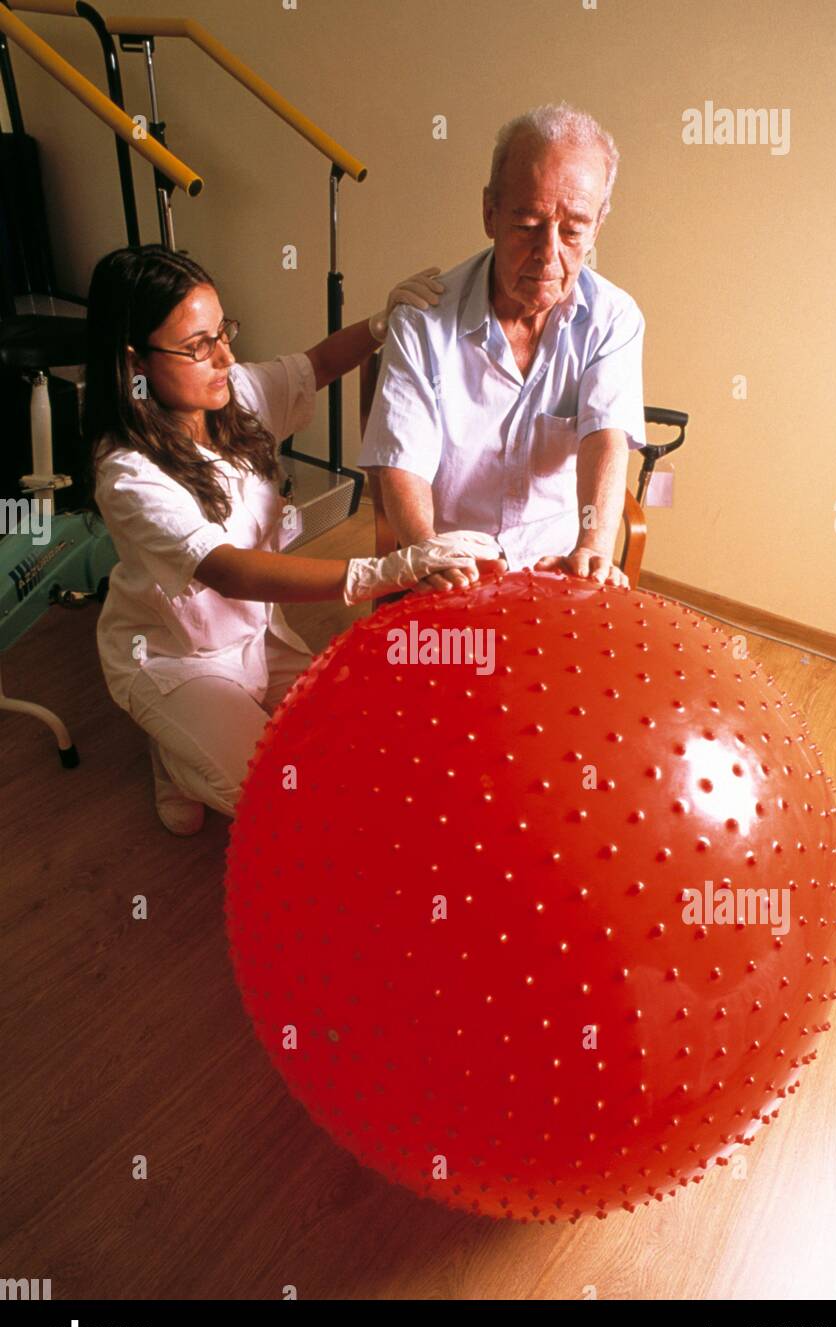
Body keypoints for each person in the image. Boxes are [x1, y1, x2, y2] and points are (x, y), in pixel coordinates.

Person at [83, 245, 504, 835]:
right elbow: (227, 569)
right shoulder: (128, 472)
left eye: (223, 331)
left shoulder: (233, 398)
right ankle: (175, 757)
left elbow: (315, 366)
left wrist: (381, 325)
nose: (225, 356)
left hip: (256, 638)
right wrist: (383, 571)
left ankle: (194, 738)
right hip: (178, 659)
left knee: (359, 752)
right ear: (137, 364)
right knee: (286, 801)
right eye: (198, 346)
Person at [357, 102, 647, 598]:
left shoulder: (614, 318)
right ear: (490, 211)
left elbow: (605, 437)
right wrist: (427, 552)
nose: (548, 253)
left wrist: (594, 545)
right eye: (528, 223)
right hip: (452, 563)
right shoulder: (423, 318)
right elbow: (401, 464)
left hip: (556, 566)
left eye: (573, 230)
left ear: (598, 226)